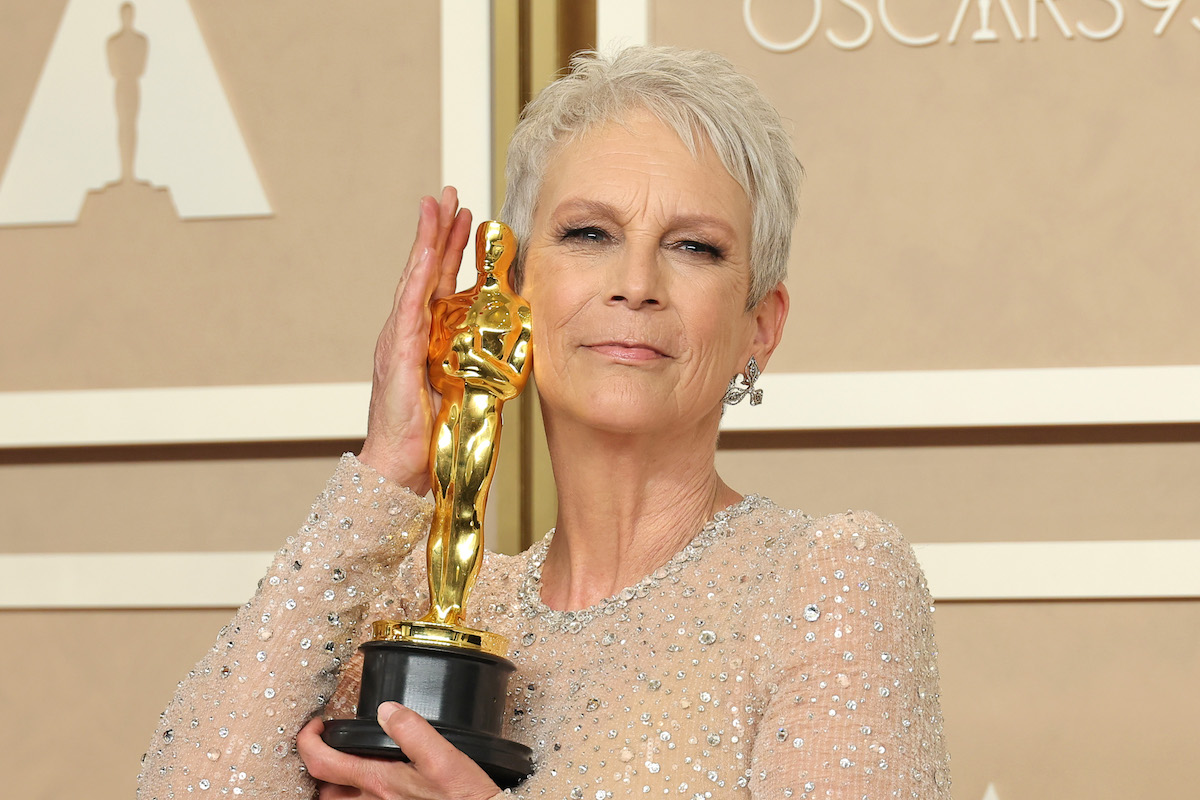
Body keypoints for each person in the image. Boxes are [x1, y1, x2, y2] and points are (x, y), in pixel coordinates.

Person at [138, 46, 950, 800]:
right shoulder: (428, 602)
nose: (636, 284)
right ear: (515, 292)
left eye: (695, 247)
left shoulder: (826, 580)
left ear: (761, 326)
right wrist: (391, 466)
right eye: (589, 234)